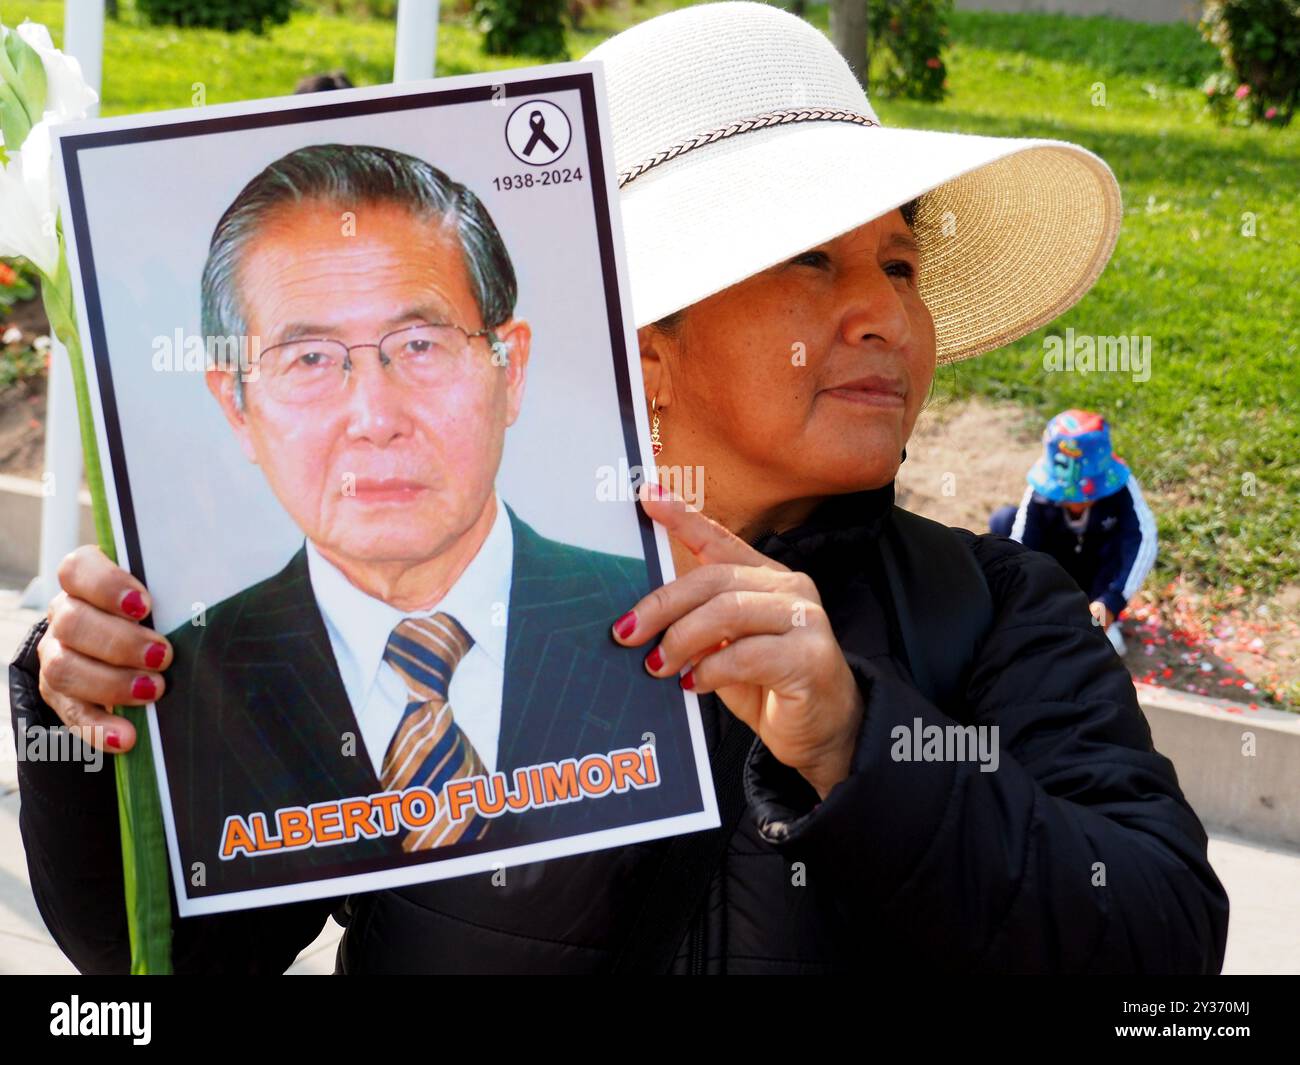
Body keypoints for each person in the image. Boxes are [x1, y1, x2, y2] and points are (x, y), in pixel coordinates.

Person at [9, 1, 1227, 973]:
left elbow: (1160, 940)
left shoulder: (999, 613)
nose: (884, 316)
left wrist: (856, 741)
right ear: (645, 332)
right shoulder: (421, 622)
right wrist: (92, 726)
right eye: (810, 259)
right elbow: (157, 956)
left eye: (899, 263)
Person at [141, 143, 699, 899]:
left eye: (420, 345)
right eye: (308, 359)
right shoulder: (187, 676)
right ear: (236, 406)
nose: (375, 417)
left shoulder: (665, 623)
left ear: (512, 369)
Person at [990, 409, 1157, 656]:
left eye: (1086, 496)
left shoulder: (1121, 489)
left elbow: (1143, 539)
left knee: (1105, 646)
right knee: (1003, 520)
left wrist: (1111, 601)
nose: (1077, 503)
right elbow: (1021, 546)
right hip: (1055, 569)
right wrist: (1021, 599)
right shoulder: (1040, 491)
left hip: (1098, 573)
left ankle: (1097, 617)